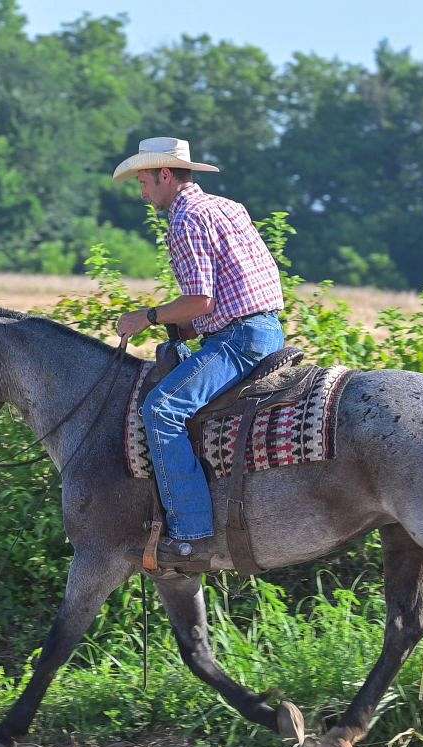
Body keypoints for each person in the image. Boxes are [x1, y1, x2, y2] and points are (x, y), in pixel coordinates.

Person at [113, 137, 285, 569]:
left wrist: (147, 316)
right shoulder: (228, 207)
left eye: (145, 182)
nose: (142, 193)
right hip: (265, 330)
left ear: (165, 175)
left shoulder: (185, 219)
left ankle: (191, 535)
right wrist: (185, 325)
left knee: (161, 409)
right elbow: (228, 293)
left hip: (238, 340)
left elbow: (201, 300)